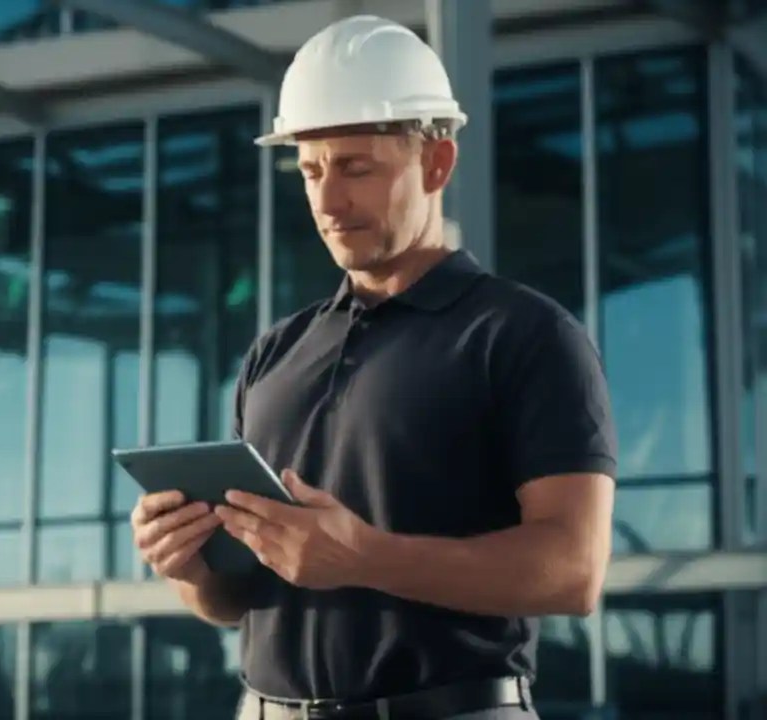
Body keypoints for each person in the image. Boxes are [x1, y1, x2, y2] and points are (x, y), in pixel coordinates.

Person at [129, 15, 617, 720]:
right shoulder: (276, 352)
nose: (328, 202)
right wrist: (188, 564)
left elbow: (574, 571)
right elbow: (234, 603)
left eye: (356, 167)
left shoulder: (524, 334)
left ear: (436, 164)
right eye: (311, 170)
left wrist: (364, 556)